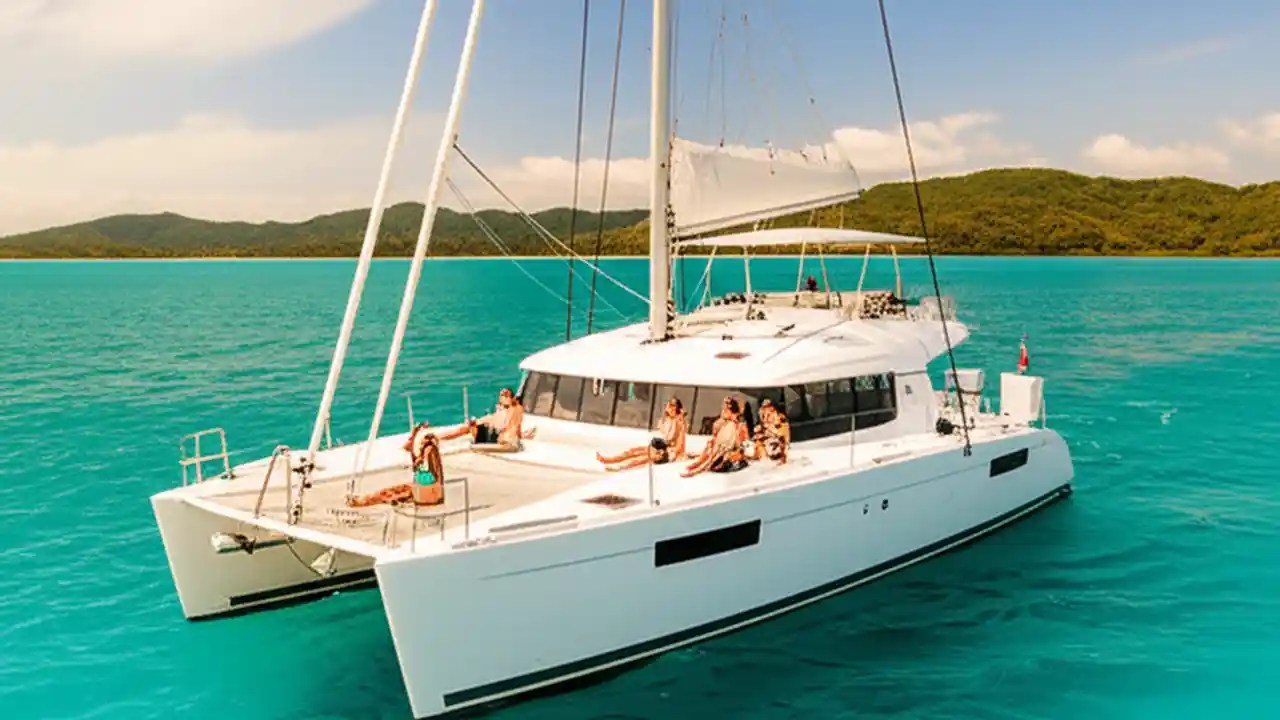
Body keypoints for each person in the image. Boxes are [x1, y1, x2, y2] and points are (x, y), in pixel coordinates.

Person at [596, 398, 687, 472]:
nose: (669, 407)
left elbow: (679, 447)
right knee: (634, 451)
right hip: (664, 448)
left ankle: (620, 467)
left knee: (644, 457)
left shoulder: (680, 423)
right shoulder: (667, 420)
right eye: (669, 405)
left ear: (677, 409)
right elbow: (666, 438)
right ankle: (609, 460)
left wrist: (669, 451)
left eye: (672, 406)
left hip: (670, 453)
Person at [441, 387, 524, 450]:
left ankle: (440, 438)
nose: (503, 397)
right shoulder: (511, 409)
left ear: (511, 398)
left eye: (506, 395)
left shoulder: (513, 409)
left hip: (500, 440)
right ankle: (441, 437)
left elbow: (506, 425)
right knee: (469, 427)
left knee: (467, 428)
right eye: (502, 395)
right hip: (499, 438)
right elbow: (515, 427)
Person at [682, 397, 747, 477]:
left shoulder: (733, 425)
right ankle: (699, 464)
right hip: (720, 451)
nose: (723, 411)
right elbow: (716, 433)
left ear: (731, 412)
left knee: (716, 447)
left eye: (725, 410)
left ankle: (700, 468)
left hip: (724, 456)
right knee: (711, 443)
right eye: (723, 409)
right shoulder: (726, 423)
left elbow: (735, 444)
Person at [750, 399, 790, 465]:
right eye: (764, 408)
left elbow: (779, 429)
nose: (765, 410)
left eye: (767, 407)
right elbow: (762, 425)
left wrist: (768, 427)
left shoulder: (777, 416)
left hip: (775, 438)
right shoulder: (763, 414)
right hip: (769, 438)